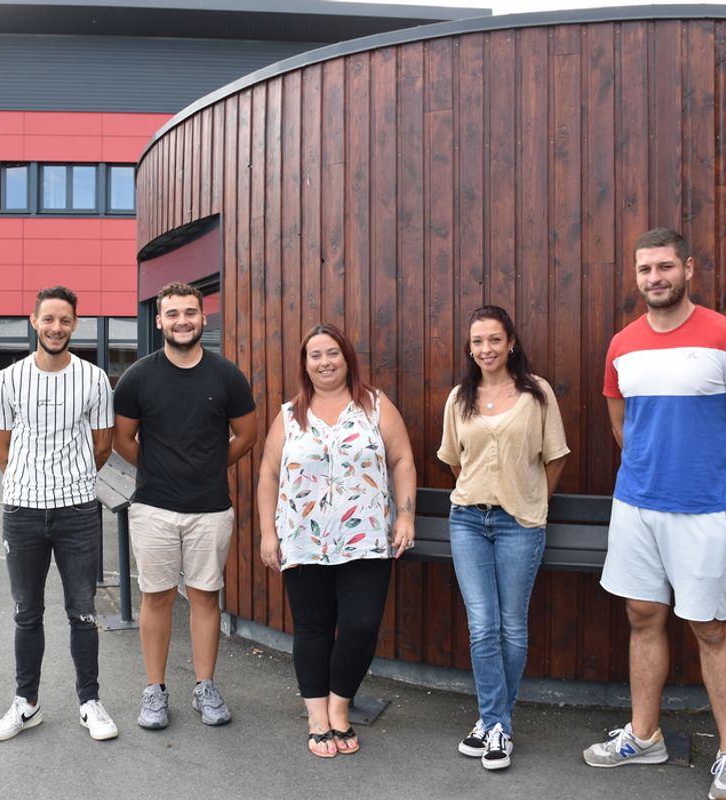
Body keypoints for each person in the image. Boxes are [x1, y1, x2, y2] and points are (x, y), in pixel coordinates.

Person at [582, 228, 726, 800]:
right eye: (645, 270)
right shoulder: (623, 344)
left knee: (711, 628)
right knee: (643, 615)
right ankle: (644, 738)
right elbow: (624, 428)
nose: (654, 278)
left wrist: (714, 486)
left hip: (706, 512)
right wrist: (655, 477)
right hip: (637, 505)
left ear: (688, 268)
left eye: (664, 267)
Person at [258, 323, 417, 758]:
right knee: (311, 629)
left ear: (347, 358)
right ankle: (316, 716)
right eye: (315, 355)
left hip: (365, 539)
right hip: (304, 540)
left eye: (332, 353)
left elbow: (401, 458)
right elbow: (269, 474)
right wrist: (268, 534)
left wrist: (405, 515)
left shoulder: (375, 406)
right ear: (304, 364)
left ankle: (340, 706)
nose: (324, 362)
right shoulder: (291, 414)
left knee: (362, 625)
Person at [112, 281, 257, 729]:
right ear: (159, 320)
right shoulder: (138, 376)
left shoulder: (227, 375)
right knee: (155, 597)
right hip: (153, 507)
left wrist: (210, 468)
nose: (182, 321)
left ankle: (205, 686)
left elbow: (247, 436)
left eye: (190, 312)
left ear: (203, 317)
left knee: (204, 598)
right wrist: (160, 470)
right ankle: (154, 691)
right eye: (172, 313)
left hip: (210, 508)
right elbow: (124, 440)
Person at [436, 305, 570, 771]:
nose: (485, 349)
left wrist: (534, 501)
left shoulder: (537, 394)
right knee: (482, 626)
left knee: (512, 625)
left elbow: (555, 457)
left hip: (520, 523)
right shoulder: (460, 398)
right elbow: (454, 461)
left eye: (494, 339)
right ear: (469, 348)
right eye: (477, 342)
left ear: (511, 342)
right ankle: (498, 724)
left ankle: (492, 724)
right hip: (468, 520)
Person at [0, 285, 119, 742]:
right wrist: (31, 483)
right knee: (26, 613)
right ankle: (27, 704)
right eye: (49, 319)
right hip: (22, 511)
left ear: (75, 324)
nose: (56, 328)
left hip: (78, 511)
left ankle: (90, 702)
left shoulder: (94, 379)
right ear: (33, 321)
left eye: (65, 320)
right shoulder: (8, 379)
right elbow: (1, 448)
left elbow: (103, 445)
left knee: (82, 612)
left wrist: (71, 480)